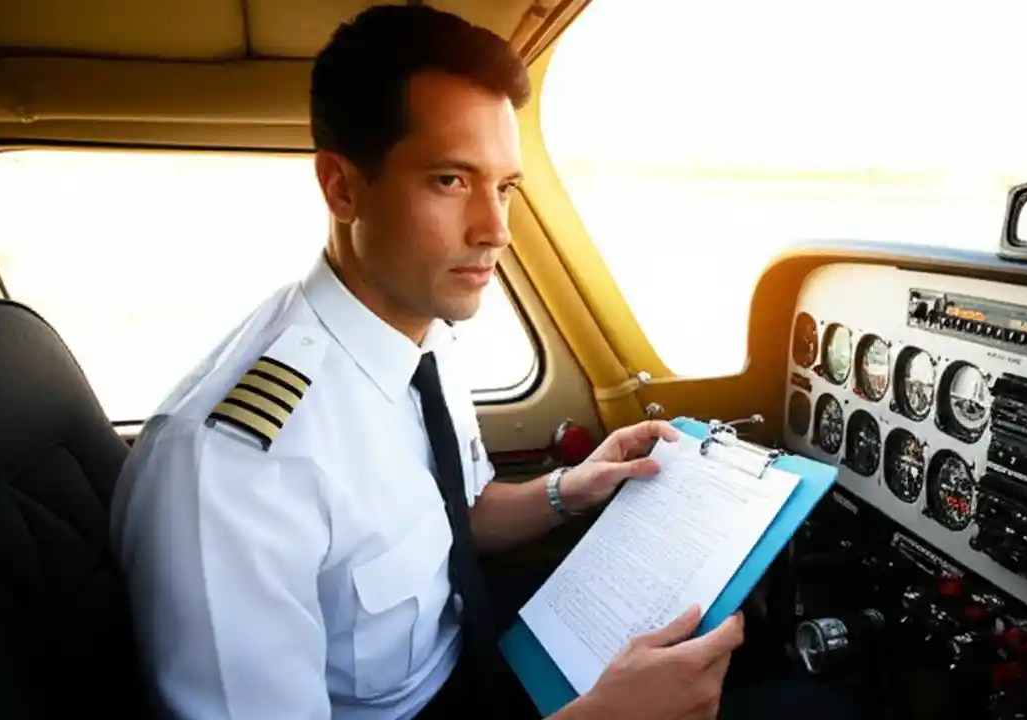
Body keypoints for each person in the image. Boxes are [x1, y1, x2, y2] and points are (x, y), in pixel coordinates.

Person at [109, 5, 747, 719]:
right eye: (450, 180)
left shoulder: (421, 332)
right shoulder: (236, 469)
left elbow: (455, 513)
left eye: (503, 187)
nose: (495, 230)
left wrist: (571, 488)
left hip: (474, 664)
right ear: (341, 188)